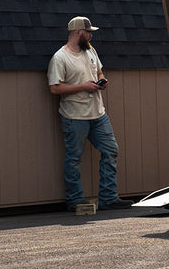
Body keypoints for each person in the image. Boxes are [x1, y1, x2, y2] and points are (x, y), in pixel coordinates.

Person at [47, 16, 132, 210]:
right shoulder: (60, 58)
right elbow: (55, 88)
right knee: (74, 158)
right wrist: (83, 87)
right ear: (78, 32)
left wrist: (102, 81)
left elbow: (99, 71)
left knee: (111, 150)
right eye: (88, 32)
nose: (91, 35)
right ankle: (75, 201)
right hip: (74, 116)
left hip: (98, 114)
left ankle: (109, 198)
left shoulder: (90, 51)